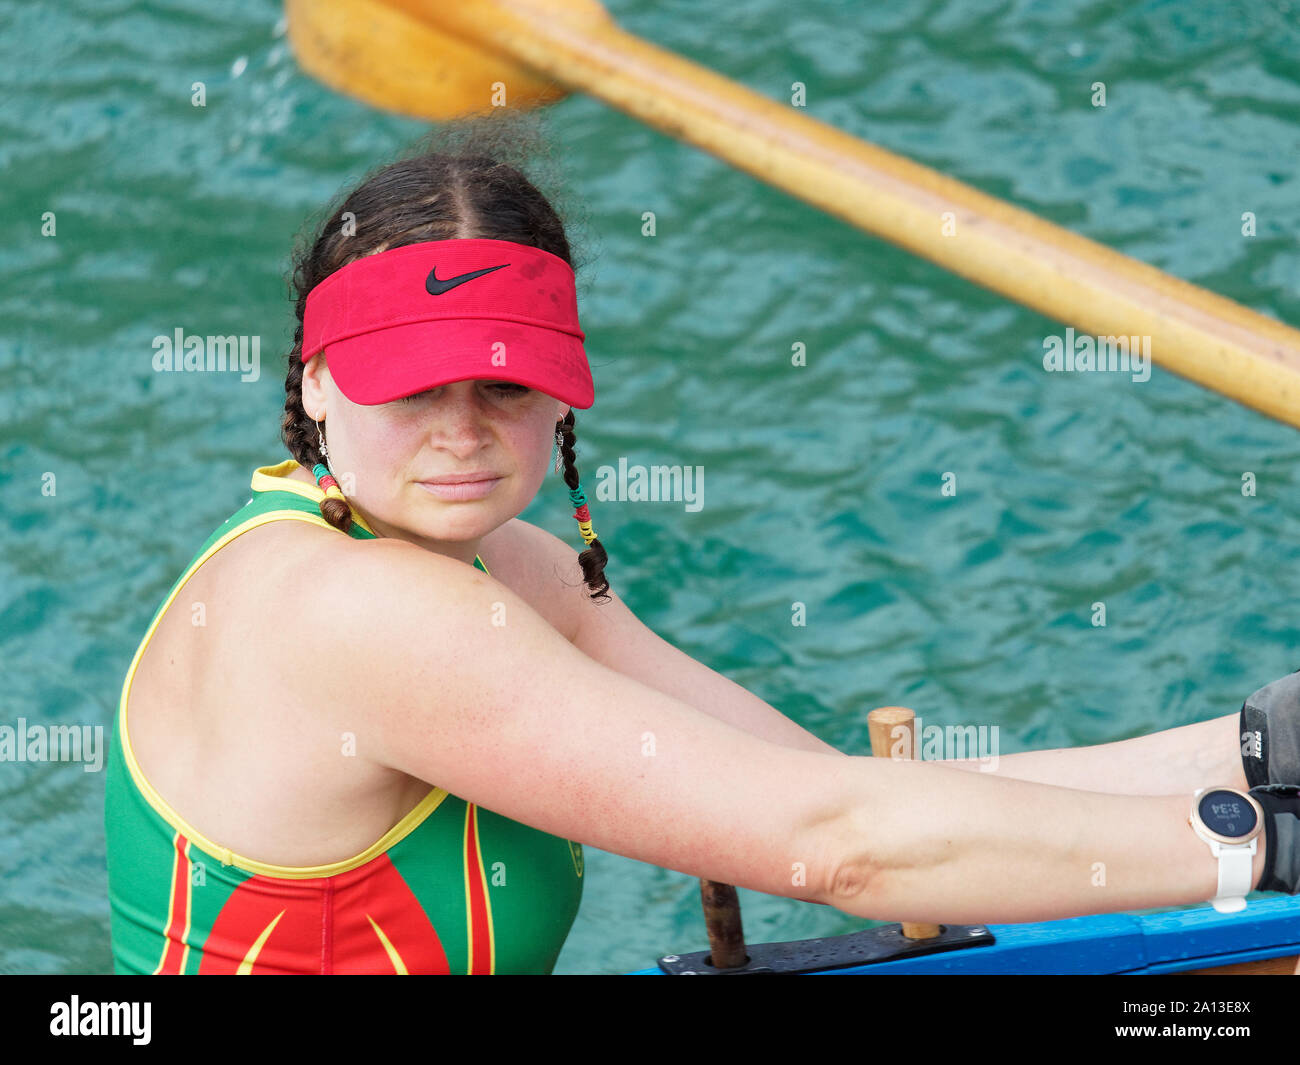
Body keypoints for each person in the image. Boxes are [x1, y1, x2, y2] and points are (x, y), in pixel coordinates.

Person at [104, 121, 1300, 975]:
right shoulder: (363, 616)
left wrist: (1251, 752)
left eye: (505, 389)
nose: (464, 434)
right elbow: (834, 854)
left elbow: (834, 790)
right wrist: (1252, 851)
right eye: (415, 390)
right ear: (315, 383)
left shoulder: (492, 561)